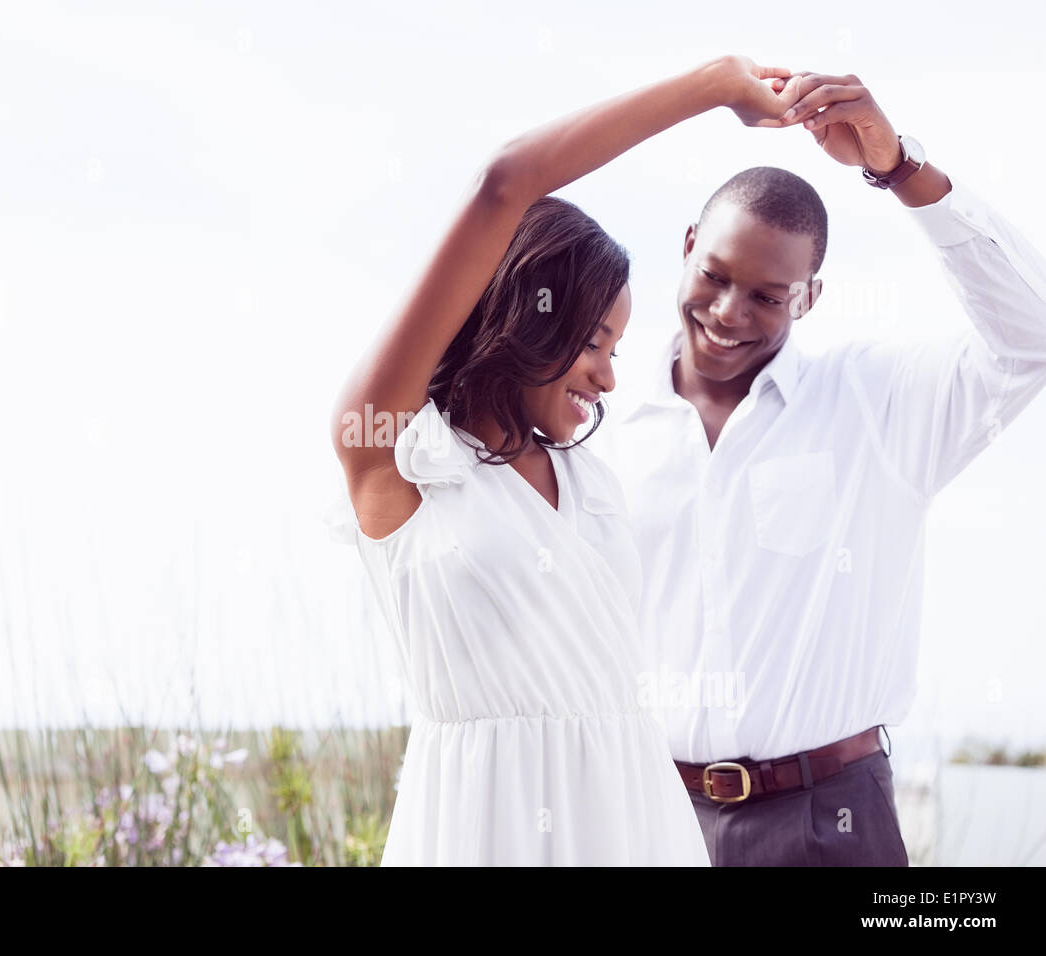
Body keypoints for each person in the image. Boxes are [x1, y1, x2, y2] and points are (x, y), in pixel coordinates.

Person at [326, 55, 803, 865]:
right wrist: (717, 85)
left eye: (616, 346)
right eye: (590, 343)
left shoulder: (590, 481)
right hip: (483, 831)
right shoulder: (397, 459)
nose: (609, 376)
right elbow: (505, 183)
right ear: (520, 317)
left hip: (633, 821)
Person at [591, 70, 1046, 865]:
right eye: (716, 277)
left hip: (829, 823)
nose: (730, 313)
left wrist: (900, 167)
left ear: (810, 298)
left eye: (769, 296)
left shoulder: (878, 405)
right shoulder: (597, 428)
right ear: (688, 247)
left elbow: (1030, 336)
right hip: (650, 819)